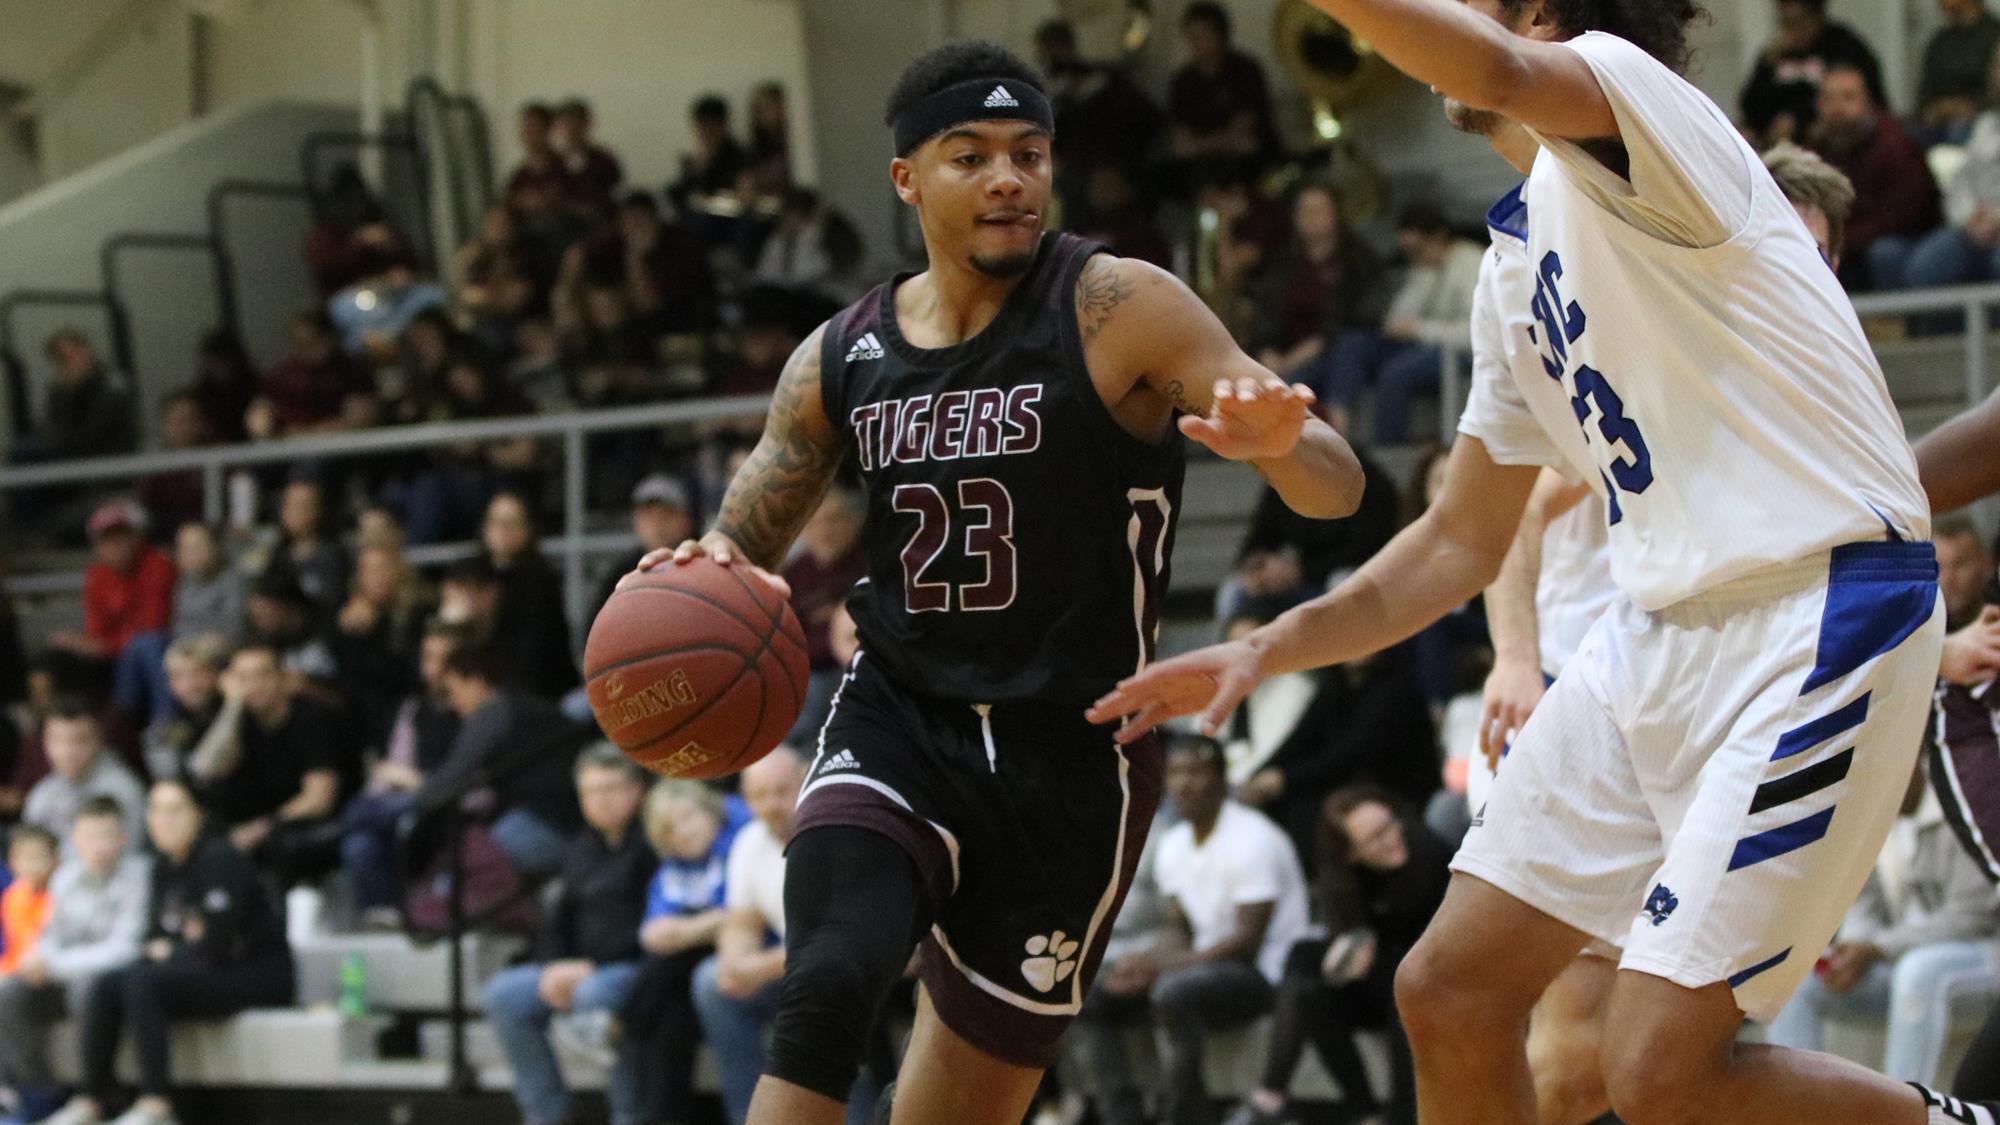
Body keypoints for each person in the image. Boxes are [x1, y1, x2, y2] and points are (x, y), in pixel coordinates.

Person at [1089, 1, 1993, 1123]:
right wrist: (1266, 647)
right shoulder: (1509, 263)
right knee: (1446, 990)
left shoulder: (1636, 105)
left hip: (1816, 614)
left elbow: (1501, 68)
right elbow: (1460, 538)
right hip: (1653, 632)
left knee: (1658, 1070)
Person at [633, 37, 1361, 1125]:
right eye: (968, 155)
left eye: (1028, 152)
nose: (1008, 177)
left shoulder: (1117, 306)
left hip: (1070, 755)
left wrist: (1274, 444)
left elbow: (1336, 490)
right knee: (829, 979)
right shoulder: (842, 355)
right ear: (906, 179)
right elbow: (740, 545)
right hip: (898, 719)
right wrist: (692, 576)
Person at [45, 780, 293, 1125]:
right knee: (107, 982)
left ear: (198, 815)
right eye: (157, 810)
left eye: (175, 809)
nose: (165, 820)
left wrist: (174, 949)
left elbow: (215, 943)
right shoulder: (163, 868)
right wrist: (179, 946)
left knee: (142, 981)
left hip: (253, 973)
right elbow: (156, 940)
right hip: (201, 968)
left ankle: (156, 1103)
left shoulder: (220, 858)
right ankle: (90, 1099)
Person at [1765, 762, 2000, 1087]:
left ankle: (1906, 1110)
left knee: (1918, 971)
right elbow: (1865, 903)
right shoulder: (1875, 816)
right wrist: (1853, 948)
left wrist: (1877, 948)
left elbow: (1970, 916)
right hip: (1898, 961)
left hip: (1980, 958)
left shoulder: (1961, 803)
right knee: (1795, 982)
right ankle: (1796, 1112)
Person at [1226, 785, 1450, 1125]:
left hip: (1431, 977)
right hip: (1380, 978)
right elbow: (1348, 936)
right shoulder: (1342, 880)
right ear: (1351, 854)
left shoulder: (1428, 852)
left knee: (1403, 985)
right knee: (1305, 970)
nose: (1392, 836)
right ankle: (1360, 1110)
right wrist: (1346, 949)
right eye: (1376, 837)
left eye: (1391, 824)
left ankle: (1398, 1117)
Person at [1136, 738, 1311, 1125]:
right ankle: (1118, 1114)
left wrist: (1168, 967)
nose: (1182, 784)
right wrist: (1146, 962)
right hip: (1208, 966)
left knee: (1172, 992)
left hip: (1267, 975)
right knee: (1094, 997)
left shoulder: (1253, 838)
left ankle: (1183, 1119)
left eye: (1194, 772)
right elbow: (1177, 926)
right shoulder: (1172, 843)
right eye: (1175, 773)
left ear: (1221, 780)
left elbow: (1247, 943)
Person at [483, 744, 654, 1125]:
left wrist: (589, 967)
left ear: (636, 789)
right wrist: (552, 966)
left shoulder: (654, 844)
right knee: (505, 994)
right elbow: (558, 919)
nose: (600, 801)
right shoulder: (580, 848)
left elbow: (650, 925)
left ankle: (630, 1113)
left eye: (610, 788)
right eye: (590, 791)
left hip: (633, 968)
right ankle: (545, 1114)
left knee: (597, 994)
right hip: (580, 968)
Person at [691, 748, 853, 1125]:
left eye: (781, 792)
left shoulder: (841, 833)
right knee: (711, 981)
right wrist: (736, 962)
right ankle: (748, 1115)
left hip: (856, 968)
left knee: (828, 983)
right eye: (758, 797)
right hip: (795, 969)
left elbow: (842, 941)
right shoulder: (749, 842)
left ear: (806, 782)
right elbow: (741, 922)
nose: (771, 805)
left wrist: (758, 968)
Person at [0, 798, 149, 1124]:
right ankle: (34, 1094)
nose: (99, 846)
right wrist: (38, 960)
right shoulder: (66, 877)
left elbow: (125, 948)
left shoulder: (139, 876)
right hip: (62, 976)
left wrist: (55, 965)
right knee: (9, 994)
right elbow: (51, 937)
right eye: (90, 836)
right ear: (76, 840)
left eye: (106, 835)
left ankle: (97, 1095)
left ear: (122, 837)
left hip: (109, 982)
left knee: (89, 991)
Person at [609, 780, 750, 1124]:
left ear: (710, 811)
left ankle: (623, 1018)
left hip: (750, 950)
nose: (682, 832)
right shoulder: (673, 865)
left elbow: (743, 913)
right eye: (669, 829)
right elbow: (653, 927)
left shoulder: (743, 840)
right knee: (670, 1017)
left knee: (669, 975)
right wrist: (666, 932)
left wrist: (689, 931)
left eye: (688, 817)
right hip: (681, 974)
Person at [412, 643, 581, 881]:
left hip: (557, 823)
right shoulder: (520, 705)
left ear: (476, 681)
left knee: (468, 865)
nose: (452, 704)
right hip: (562, 815)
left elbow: (446, 783)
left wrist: (415, 791)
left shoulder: (494, 713)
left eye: (453, 691)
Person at [1322, 202, 1484, 444]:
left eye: (1417, 249)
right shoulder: (1424, 268)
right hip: (1419, 344)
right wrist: (1423, 278)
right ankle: (1337, 423)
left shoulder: (1470, 263)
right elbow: (1396, 318)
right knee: (1352, 344)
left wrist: (1419, 329)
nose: (1412, 258)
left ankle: (1386, 448)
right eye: (1407, 251)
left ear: (1438, 238)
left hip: (1455, 351)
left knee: (1395, 374)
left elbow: (1475, 334)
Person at [185, 643, 343, 886]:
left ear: (282, 678)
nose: (253, 685)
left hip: (305, 827)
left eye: (262, 675)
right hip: (252, 826)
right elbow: (206, 769)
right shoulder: (235, 720)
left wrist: (262, 828)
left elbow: (319, 799)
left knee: (279, 845)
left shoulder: (310, 719)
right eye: (243, 677)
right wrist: (232, 705)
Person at [338, 619, 463, 926]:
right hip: (407, 802)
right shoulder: (415, 709)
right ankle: (386, 917)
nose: (434, 667)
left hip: (451, 802)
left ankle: (343, 823)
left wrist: (415, 781)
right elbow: (390, 769)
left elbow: (467, 779)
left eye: (444, 658)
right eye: (428, 657)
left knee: (358, 816)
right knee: (360, 843)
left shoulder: (475, 710)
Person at [1808, 62, 1943, 291]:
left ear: (1868, 102)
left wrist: (1843, 240)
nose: (1837, 108)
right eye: (1829, 99)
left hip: (1902, 240)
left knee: (1884, 253)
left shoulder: (1895, 146)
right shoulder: (1814, 150)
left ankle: (1895, 324)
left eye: (1848, 97)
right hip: (1844, 243)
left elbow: (1903, 216)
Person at [1871, 57, 2000, 292]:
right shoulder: (1985, 127)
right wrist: (1968, 218)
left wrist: (1996, 219)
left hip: (1995, 224)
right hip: (1971, 226)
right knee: (1923, 269)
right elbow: (1962, 183)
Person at [47, 503, 175, 692]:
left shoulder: (158, 566)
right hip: (112, 653)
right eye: (106, 539)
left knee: (146, 646)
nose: (115, 545)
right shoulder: (97, 576)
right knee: (59, 653)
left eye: (121, 536)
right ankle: (65, 716)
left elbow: (154, 626)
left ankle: (144, 715)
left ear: (136, 538)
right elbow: (95, 627)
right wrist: (82, 643)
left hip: (151, 651)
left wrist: (106, 646)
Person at [779, 489, 867, 744]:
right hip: (805, 675)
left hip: (853, 669)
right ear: (804, 530)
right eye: (816, 522)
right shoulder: (794, 572)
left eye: (835, 519)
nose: (826, 530)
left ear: (854, 522)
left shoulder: (868, 566)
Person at [1739, 0, 1883, 147]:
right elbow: (1749, 105)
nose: (1791, 31)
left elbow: (1868, 105)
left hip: (1831, 144)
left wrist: (1799, 120)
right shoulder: (1775, 55)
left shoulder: (1844, 49)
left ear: (1817, 18)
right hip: (1776, 144)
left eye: (1798, 22)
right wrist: (1767, 64)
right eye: (1784, 23)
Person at [1168, 3, 1278, 169]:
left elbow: (1245, 133)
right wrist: (1219, 143)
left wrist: (1200, 145)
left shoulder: (1246, 71)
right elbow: (1181, 141)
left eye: (1204, 35)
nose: (1198, 43)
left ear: (1221, 34)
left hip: (1249, 164)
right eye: (1192, 36)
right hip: (1202, 168)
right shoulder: (1182, 81)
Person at [24, 705, 146, 850]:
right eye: (58, 740)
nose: (67, 751)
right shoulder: (42, 793)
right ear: (45, 742)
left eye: (79, 740)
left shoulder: (123, 790)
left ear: (98, 741)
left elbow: (130, 854)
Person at [11, 331, 134, 464]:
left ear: (87, 351)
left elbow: (86, 438)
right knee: (22, 449)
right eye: (62, 359)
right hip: (73, 458)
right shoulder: (62, 389)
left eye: (75, 353)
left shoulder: (111, 387)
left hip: (106, 462)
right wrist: (66, 392)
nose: (73, 362)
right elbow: (50, 427)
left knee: (26, 454)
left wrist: (68, 393)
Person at [592, 474, 698, 621]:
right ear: (636, 522)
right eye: (649, 515)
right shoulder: (619, 576)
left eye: (666, 514)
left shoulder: (701, 567)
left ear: (686, 521)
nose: (657, 524)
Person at [140, 634, 229, 785]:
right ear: (170, 685)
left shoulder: (244, 712)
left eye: (198, 673)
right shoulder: (164, 730)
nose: (190, 685)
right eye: (178, 677)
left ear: (216, 675)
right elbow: (195, 777)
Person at [1918, 0, 2000, 145]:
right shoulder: (1940, 41)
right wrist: (1934, 110)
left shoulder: (1994, 35)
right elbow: (1925, 90)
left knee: (1959, 132)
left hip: (1981, 117)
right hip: (1938, 120)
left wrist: (1967, 108)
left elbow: (1994, 87)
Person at [1, 825, 57, 975]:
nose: (31, 865)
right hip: (14, 969)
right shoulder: (11, 896)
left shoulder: (59, 896)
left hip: (44, 969)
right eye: (23, 857)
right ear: (11, 862)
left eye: (37, 857)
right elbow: (12, 950)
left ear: (55, 860)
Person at [552, 99, 623, 208]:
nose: (571, 129)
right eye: (566, 123)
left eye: (575, 122)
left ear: (586, 124)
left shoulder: (604, 160)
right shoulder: (553, 163)